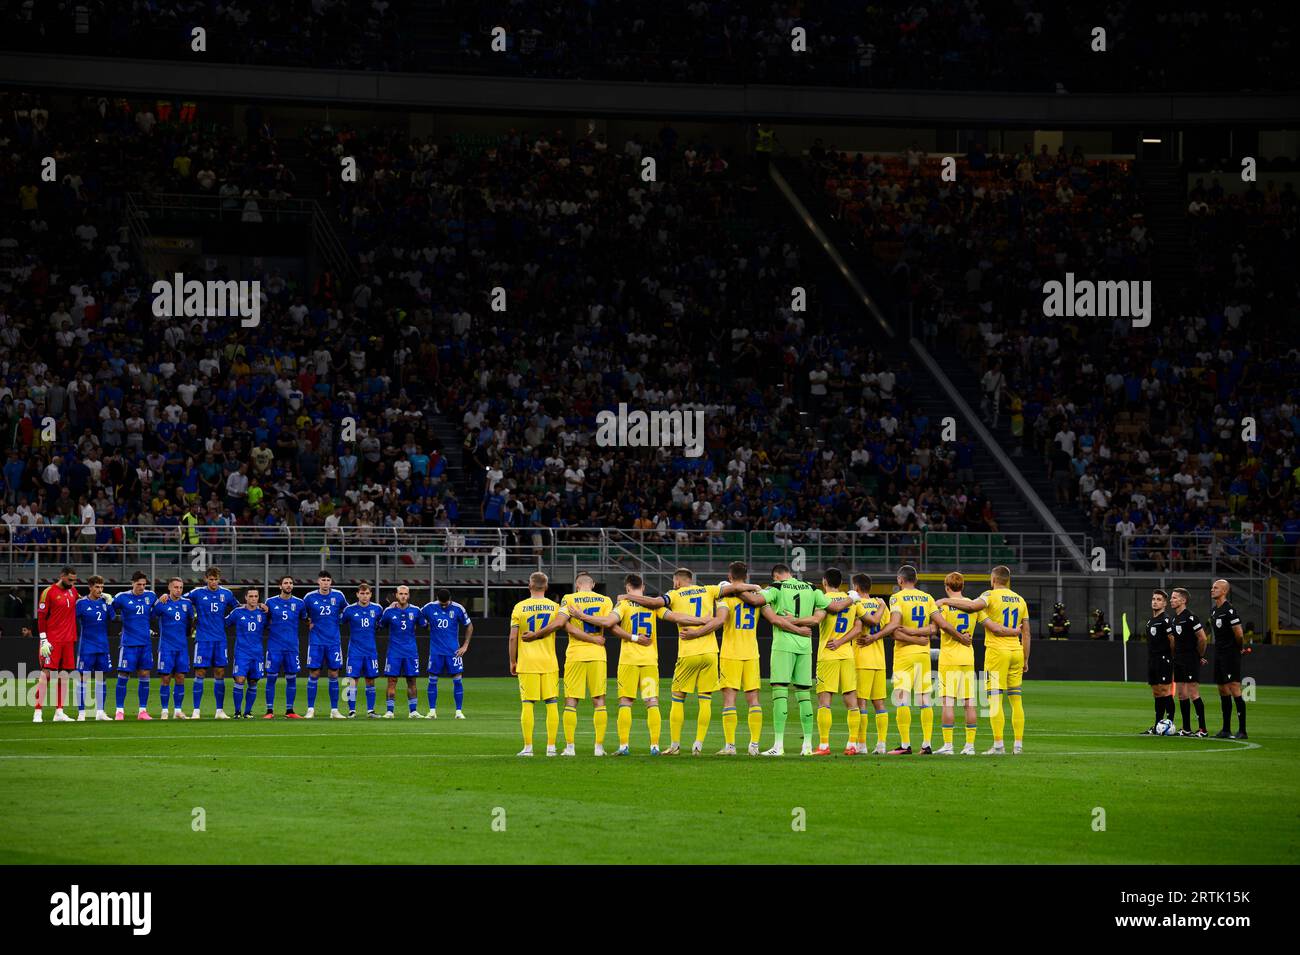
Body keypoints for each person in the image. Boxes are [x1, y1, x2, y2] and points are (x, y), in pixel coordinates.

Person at [621, 568, 757, 755]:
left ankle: (675, 745)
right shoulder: (708, 590)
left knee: (678, 697)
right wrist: (754, 585)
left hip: (688, 651)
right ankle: (698, 744)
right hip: (710, 652)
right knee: (705, 699)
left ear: (677, 581)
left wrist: (628, 597)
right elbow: (734, 587)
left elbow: (654, 603)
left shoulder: (674, 594)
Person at [938, 565, 1030, 754]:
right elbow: (1026, 634)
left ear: (993, 579)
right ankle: (1018, 745)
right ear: (1008, 580)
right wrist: (1026, 658)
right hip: (1017, 651)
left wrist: (945, 600)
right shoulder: (1021, 600)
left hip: (997, 652)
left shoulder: (989, 595)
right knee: (1016, 699)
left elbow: (973, 607)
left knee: (995, 699)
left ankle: (998, 745)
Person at [873, 565, 938, 755]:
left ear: (900, 580)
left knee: (902, 697)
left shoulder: (897, 598)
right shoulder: (928, 598)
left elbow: (894, 629)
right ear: (915, 580)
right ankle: (926, 744)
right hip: (923, 653)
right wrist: (919, 637)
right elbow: (934, 628)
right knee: (924, 698)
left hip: (904, 654)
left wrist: (908, 634)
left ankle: (905, 744)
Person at [508, 572, 569, 756]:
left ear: (529, 586)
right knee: (551, 703)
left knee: (528, 704)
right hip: (549, 661)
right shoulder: (554, 607)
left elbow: (513, 638)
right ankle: (551, 747)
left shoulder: (519, 607)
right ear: (547, 587)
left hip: (527, 662)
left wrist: (512, 660)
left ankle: (528, 748)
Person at [557, 572, 615, 755]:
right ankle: (599, 747)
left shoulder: (569, 598)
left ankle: (570, 747)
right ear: (593, 584)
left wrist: (580, 617)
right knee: (599, 700)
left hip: (575, 654)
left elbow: (567, 626)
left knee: (571, 700)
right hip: (598, 654)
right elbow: (607, 622)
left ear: (577, 585)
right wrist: (594, 640)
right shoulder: (605, 601)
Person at [809, 568, 860, 756]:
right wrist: (842, 642)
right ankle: (852, 744)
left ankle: (823, 745)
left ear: (824, 581)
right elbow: (859, 627)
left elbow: (816, 618)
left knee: (824, 701)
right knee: (851, 700)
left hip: (827, 654)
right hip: (847, 654)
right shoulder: (852, 599)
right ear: (840, 583)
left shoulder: (822, 599)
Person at [930, 572, 979, 755]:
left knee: (948, 703)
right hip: (967, 657)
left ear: (947, 587)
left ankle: (948, 745)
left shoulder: (942, 607)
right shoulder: (972, 606)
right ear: (963, 586)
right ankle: (970, 746)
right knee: (969, 703)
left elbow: (935, 629)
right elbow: (989, 623)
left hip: (949, 659)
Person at [182, 567, 237, 719]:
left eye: (216, 579)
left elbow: (237, 608)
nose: (213, 582)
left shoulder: (226, 593)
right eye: (210, 579)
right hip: (203, 639)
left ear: (219, 579)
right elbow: (181, 599)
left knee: (219, 672)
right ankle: (196, 710)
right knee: (200, 672)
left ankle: (219, 711)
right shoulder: (197, 593)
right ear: (206, 579)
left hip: (220, 639)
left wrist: (226, 621)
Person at [27, 566, 79, 722]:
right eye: (70, 579)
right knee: (47, 673)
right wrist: (43, 639)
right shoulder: (48, 592)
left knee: (64, 675)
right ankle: (38, 711)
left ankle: (59, 712)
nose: (72, 583)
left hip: (69, 639)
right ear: (62, 576)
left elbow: (83, 600)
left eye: (74, 580)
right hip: (53, 640)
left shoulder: (73, 591)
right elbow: (41, 617)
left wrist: (101, 595)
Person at [848, 573, 889, 755]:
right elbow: (888, 627)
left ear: (856, 588)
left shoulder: (857, 604)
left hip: (861, 659)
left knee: (861, 703)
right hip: (879, 659)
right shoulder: (882, 605)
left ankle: (862, 744)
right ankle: (881, 744)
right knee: (879, 703)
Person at [420, 589, 472, 719]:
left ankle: (459, 712)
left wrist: (465, 645)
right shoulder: (429, 607)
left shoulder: (458, 608)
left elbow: (469, 625)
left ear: (450, 598)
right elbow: (416, 615)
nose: (444, 605)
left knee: (457, 681)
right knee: (432, 681)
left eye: (446, 603)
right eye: (442, 603)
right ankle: (432, 711)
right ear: (437, 598)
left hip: (453, 652)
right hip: (436, 652)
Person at [111, 571, 156, 720]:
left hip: (145, 643)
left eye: (144, 584)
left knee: (144, 675)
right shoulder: (122, 597)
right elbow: (111, 610)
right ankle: (119, 711)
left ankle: (142, 711)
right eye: (139, 584)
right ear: (133, 583)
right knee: (124, 675)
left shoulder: (151, 596)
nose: (142, 587)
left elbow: (156, 610)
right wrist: (120, 622)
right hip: (129, 643)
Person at [302, 571, 347, 719]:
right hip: (316, 642)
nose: (326, 582)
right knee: (314, 673)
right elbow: (302, 613)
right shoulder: (309, 597)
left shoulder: (338, 596)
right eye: (323, 580)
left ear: (331, 582)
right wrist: (308, 620)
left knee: (334, 674)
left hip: (334, 642)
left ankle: (334, 710)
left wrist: (339, 620)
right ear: (318, 582)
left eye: (328, 580)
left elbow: (347, 611)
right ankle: (310, 709)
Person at [151, 577, 196, 720]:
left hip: (181, 647)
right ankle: (164, 710)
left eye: (181, 587)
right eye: (176, 587)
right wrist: (158, 600)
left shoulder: (187, 604)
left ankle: (178, 710)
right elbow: (151, 616)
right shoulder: (163, 602)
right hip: (166, 647)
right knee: (165, 678)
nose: (178, 590)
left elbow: (191, 621)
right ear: (169, 588)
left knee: (180, 677)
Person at [379, 585, 426, 718]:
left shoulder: (416, 611)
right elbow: (380, 625)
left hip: (410, 652)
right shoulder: (389, 612)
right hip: (394, 652)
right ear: (396, 595)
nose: (403, 596)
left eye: (406, 594)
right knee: (392, 681)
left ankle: (413, 711)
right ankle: (389, 711)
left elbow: (424, 624)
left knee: (412, 681)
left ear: (409, 595)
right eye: (401, 593)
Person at [1209, 579, 1247, 739]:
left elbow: (1239, 634)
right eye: (1212, 587)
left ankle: (1242, 730)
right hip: (1219, 654)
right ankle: (1225, 729)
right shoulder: (1214, 611)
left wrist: (1238, 648)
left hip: (1230, 654)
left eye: (1216, 588)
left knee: (1234, 688)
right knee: (1222, 689)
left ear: (1224, 591)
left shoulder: (1229, 611)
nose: (1212, 590)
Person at [263, 575, 306, 718]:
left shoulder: (299, 604)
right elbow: (264, 621)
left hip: (292, 647)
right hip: (274, 647)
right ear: (280, 586)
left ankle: (290, 711)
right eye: (285, 583)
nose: (288, 585)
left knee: (291, 679)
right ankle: (269, 711)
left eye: (291, 583)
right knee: (271, 678)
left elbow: (306, 619)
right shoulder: (270, 602)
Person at [1168, 586, 1209, 737]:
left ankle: (1203, 729)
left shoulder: (1191, 617)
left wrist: (1198, 656)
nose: (1171, 600)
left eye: (1174, 597)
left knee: (1193, 693)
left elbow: (1203, 638)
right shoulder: (1174, 619)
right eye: (1171, 598)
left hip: (1190, 659)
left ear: (1183, 600)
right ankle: (1186, 728)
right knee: (1181, 694)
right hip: (1178, 660)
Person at [73, 574, 114, 721]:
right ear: (90, 587)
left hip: (103, 647)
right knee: (83, 678)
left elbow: (113, 618)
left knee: (101, 678)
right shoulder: (81, 603)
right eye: (97, 587)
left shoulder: (104, 602)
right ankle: (82, 713)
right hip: (87, 647)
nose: (100, 589)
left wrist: (109, 603)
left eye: (102, 587)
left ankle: (100, 712)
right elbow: (72, 620)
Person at [341, 583, 383, 718]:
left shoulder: (377, 609)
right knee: (352, 681)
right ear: (357, 594)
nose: (364, 596)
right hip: (355, 652)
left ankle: (370, 711)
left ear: (371, 594)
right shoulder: (349, 610)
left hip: (371, 651)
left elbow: (381, 623)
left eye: (367, 593)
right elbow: (340, 622)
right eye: (362, 593)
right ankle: (351, 711)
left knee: (371, 681)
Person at [1140, 589, 1176, 735]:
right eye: (1154, 599)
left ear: (1165, 603)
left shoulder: (1165, 619)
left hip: (1164, 659)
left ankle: (1169, 724)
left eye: (1159, 599)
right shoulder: (1150, 621)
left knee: (1165, 691)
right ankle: (1157, 725)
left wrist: (1170, 656)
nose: (1155, 601)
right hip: (1152, 660)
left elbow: (1172, 639)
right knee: (1156, 693)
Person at [227, 589, 268, 718]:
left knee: (253, 682)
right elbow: (224, 623)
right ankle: (237, 712)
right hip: (241, 653)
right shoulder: (237, 612)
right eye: (251, 596)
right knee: (239, 680)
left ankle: (248, 712)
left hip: (257, 654)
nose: (253, 599)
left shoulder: (263, 614)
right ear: (246, 597)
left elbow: (273, 626)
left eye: (256, 596)